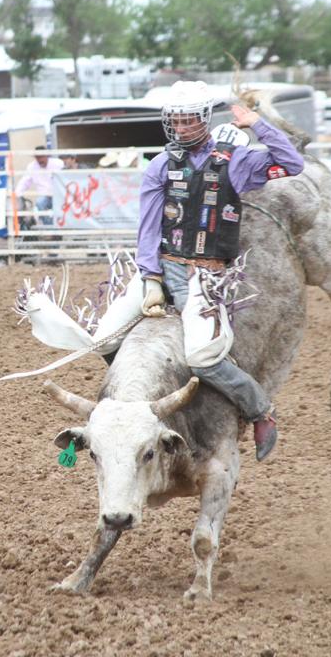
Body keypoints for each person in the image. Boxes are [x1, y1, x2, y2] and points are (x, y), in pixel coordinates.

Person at [137, 93, 305, 461]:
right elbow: (149, 225)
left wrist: (258, 125)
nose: (181, 127)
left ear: (204, 119)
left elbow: (292, 164)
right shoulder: (162, 165)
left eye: (188, 120)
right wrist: (150, 276)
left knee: (201, 358)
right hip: (165, 266)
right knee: (107, 337)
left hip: (209, 276)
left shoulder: (236, 161)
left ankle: (259, 410)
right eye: (175, 121)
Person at [15, 146, 61, 227]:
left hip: (59, 194)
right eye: (37, 157)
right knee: (39, 203)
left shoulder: (58, 164)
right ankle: (50, 227)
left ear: (47, 156)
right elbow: (25, 181)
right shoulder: (32, 166)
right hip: (44, 195)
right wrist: (17, 193)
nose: (40, 160)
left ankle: (60, 227)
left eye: (42, 157)